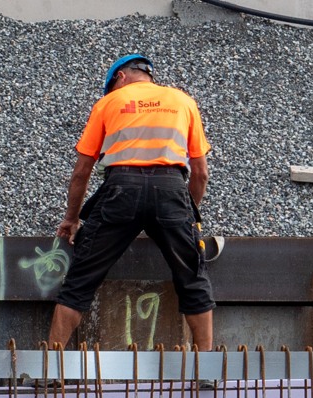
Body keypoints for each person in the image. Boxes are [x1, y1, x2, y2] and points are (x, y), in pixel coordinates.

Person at [44, 54, 214, 366]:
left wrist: (71, 218)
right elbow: (201, 173)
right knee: (193, 277)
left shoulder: (109, 103)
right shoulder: (182, 101)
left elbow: (81, 171)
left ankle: (50, 366)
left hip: (120, 188)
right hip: (171, 189)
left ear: (120, 77)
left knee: (80, 280)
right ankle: (206, 367)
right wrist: (187, 218)